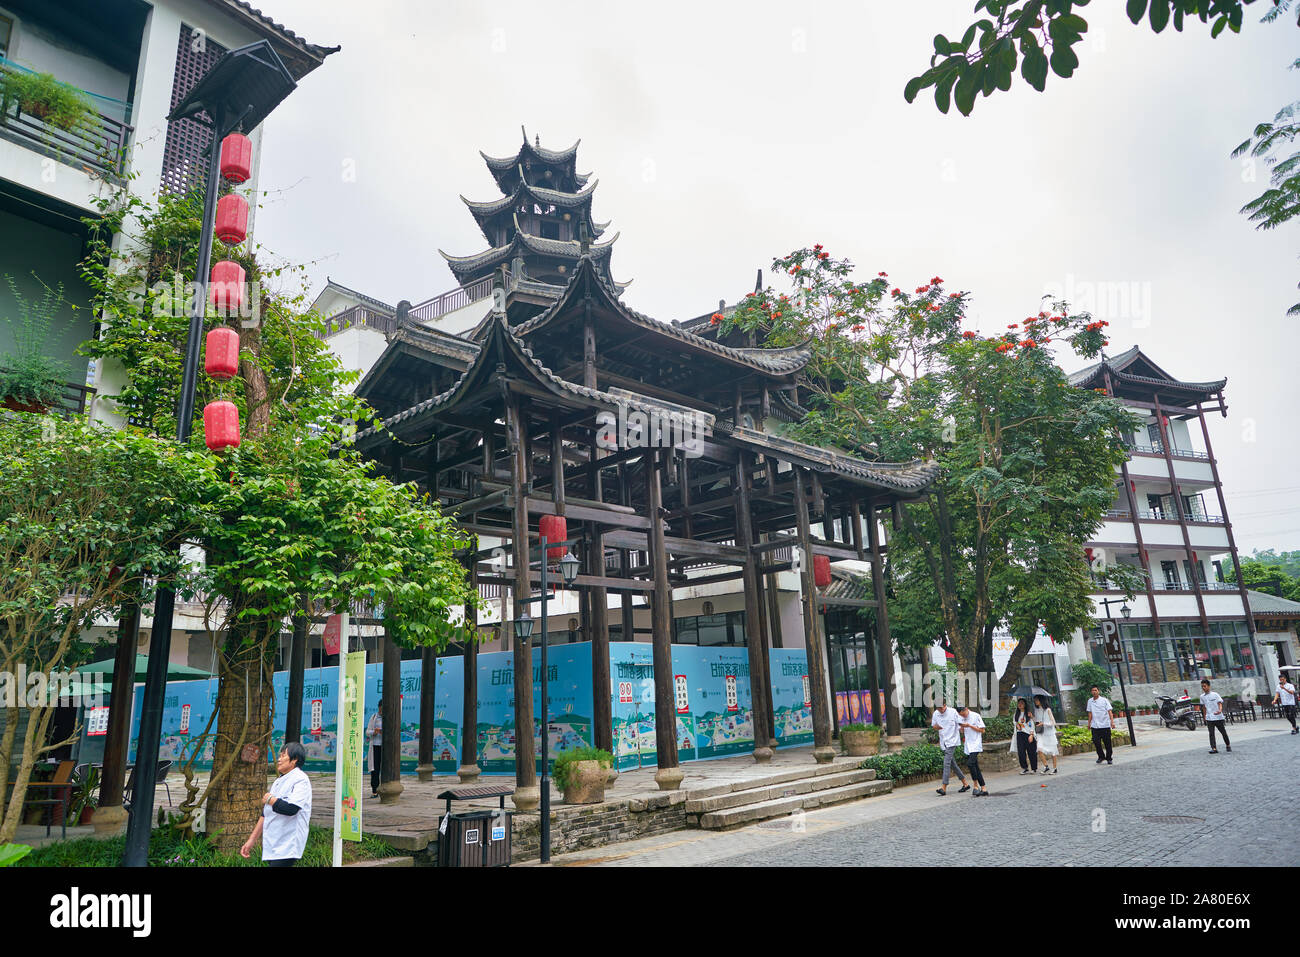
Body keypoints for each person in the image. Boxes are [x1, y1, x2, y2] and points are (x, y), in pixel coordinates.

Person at [241, 743, 312, 867]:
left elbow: (291, 809)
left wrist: (271, 800)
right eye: (279, 755)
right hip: (273, 843)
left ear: (294, 759)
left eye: (283, 755)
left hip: (288, 843)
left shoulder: (300, 780)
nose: (279, 759)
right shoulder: (279, 781)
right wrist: (252, 839)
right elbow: (265, 814)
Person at [931, 701, 970, 796]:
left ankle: (944, 787)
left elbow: (962, 722)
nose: (941, 710)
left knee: (946, 763)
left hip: (952, 740)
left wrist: (964, 730)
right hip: (944, 741)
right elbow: (934, 726)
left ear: (945, 705)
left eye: (942, 707)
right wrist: (941, 728)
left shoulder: (953, 712)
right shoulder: (936, 714)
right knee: (953, 764)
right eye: (939, 708)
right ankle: (965, 783)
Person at [956, 703, 988, 796]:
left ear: (966, 709)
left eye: (964, 713)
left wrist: (970, 726)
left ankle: (975, 786)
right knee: (975, 766)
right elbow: (962, 731)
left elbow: (982, 730)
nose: (963, 716)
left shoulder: (975, 716)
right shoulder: (961, 718)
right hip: (968, 744)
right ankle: (983, 788)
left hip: (976, 743)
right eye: (961, 715)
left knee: (970, 763)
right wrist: (962, 727)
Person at [1199, 679, 1231, 754]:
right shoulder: (1202, 697)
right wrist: (1204, 717)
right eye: (1202, 686)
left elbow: (1220, 703)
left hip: (1218, 717)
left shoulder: (1215, 694)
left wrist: (1220, 710)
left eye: (1205, 686)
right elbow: (1203, 707)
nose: (1203, 688)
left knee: (1223, 732)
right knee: (1211, 733)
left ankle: (1228, 745)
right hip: (1209, 717)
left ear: (1209, 686)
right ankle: (1214, 748)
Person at [1086, 684, 1114, 765]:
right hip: (1095, 726)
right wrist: (1089, 723)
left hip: (1105, 725)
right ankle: (1101, 756)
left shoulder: (1104, 700)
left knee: (1107, 743)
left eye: (1096, 690)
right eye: (1093, 690)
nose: (1094, 692)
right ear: (1091, 692)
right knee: (1096, 742)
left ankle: (1109, 758)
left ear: (1098, 691)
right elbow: (1090, 713)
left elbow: (1110, 712)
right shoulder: (1090, 701)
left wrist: (1112, 722)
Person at [1033, 694, 1059, 774]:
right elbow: (1037, 720)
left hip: (1049, 733)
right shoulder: (1036, 710)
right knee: (1039, 749)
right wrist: (1032, 717)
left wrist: (1043, 723)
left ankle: (1055, 768)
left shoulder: (1048, 710)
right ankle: (1046, 766)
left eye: (1037, 700)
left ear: (1041, 700)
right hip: (1041, 733)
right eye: (1035, 700)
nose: (1035, 702)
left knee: (1053, 751)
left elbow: (1053, 722)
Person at [1013, 697, 1038, 774]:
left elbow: (1032, 725)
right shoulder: (1016, 714)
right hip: (1020, 734)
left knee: (1031, 752)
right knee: (1021, 752)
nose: (1020, 704)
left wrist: (1031, 735)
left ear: (1025, 705)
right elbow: (1015, 722)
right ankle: (1024, 768)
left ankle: (1033, 768)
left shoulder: (1028, 714)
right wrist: (1017, 725)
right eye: (1019, 703)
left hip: (1028, 734)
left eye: (1022, 703)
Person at [366, 702, 383, 797]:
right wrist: (374, 732)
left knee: (384, 769)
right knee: (375, 769)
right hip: (375, 746)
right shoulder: (374, 717)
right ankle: (375, 790)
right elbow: (367, 732)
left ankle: (384, 788)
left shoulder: (389, 717)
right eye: (380, 709)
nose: (381, 711)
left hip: (385, 747)